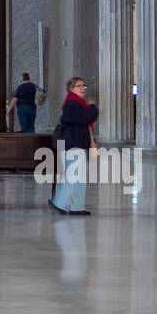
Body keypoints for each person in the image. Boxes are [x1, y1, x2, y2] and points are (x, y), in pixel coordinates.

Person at [50, 77, 98, 216]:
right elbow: (86, 117)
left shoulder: (78, 103)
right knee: (72, 176)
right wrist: (93, 107)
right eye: (79, 86)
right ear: (71, 89)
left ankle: (77, 207)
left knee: (80, 178)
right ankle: (59, 203)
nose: (83, 88)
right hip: (73, 145)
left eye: (84, 86)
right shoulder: (72, 103)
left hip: (78, 144)